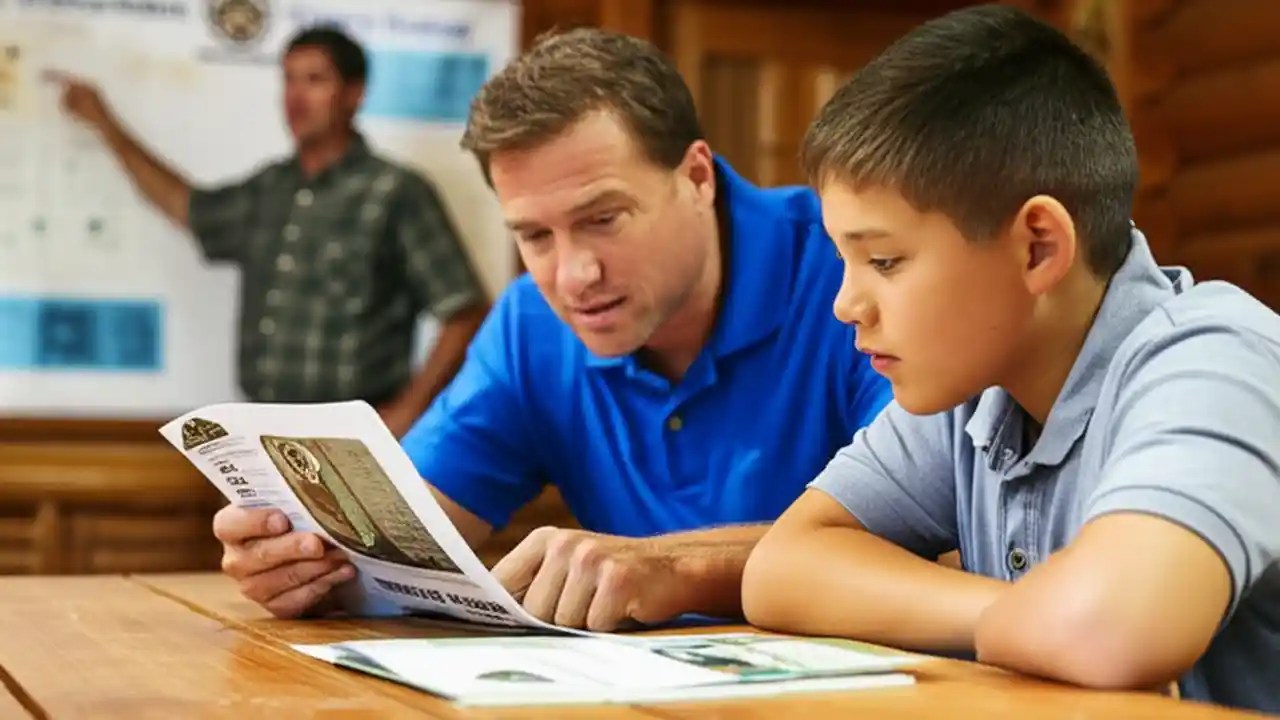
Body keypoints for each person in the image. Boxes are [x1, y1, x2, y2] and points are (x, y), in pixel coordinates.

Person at [211, 28, 892, 629]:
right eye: (535, 235)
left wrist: (675, 566)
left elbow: (930, 533)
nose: (574, 275)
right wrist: (307, 559)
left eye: (604, 218)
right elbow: (406, 537)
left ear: (696, 176)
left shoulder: (858, 270)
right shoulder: (530, 325)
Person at [740, 5, 1280, 713]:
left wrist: (1054, 622)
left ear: (1038, 248)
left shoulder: (1216, 358)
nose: (846, 305)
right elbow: (783, 568)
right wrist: (1013, 613)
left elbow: (1112, 629)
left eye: (884, 260)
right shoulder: (975, 384)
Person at [55, 26, 488, 436]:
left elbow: (464, 311)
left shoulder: (395, 192)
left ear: (354, 94)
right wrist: (106, 125)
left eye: (315, 80)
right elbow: (185, 207)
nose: (296, 98)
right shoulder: (269, 189)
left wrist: (409, 412)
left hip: (353, 436)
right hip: (260, 431)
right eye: (289, 80)